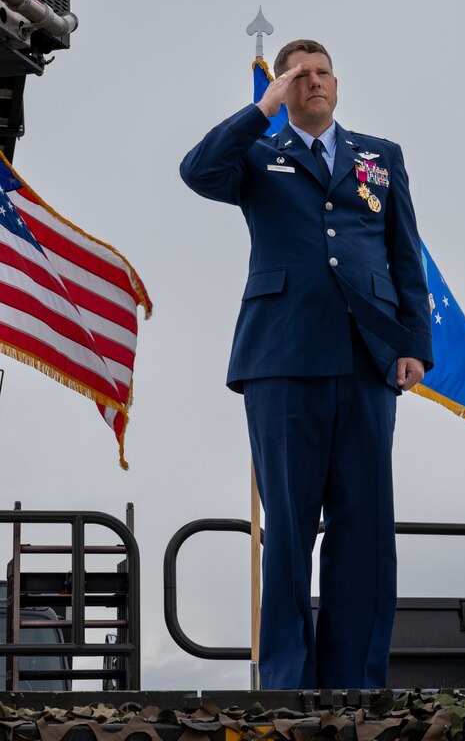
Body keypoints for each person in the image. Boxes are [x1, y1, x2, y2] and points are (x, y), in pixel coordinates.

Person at [179, 39, 433, 689]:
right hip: (282, 357)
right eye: (298, 75)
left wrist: (413, 343)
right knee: (289, 528)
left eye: (321, 73)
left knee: (365, 529)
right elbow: (197, 171)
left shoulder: (380, 157)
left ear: (337, 83)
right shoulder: (257, 154)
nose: (312, 83)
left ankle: (356, 682)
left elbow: (405, 254)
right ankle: (288, 681)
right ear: (283, 87)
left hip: (368, 359)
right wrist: (257, 110)